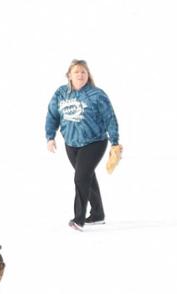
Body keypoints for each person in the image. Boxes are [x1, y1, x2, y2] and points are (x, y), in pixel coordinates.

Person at [45, 59, 121, 231]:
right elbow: (52, 115)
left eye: (83, 72)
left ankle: (78, 219)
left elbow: (110, 117)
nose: (80, 75)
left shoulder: (97, 94)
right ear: (69, 75)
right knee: (87, 176)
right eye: (77, 72)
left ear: (88, 75)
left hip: (95, 142)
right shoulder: (61, 93)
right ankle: (98, 214)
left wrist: (115, 142)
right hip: (71, 143)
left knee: (80, 178)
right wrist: (50, 137)